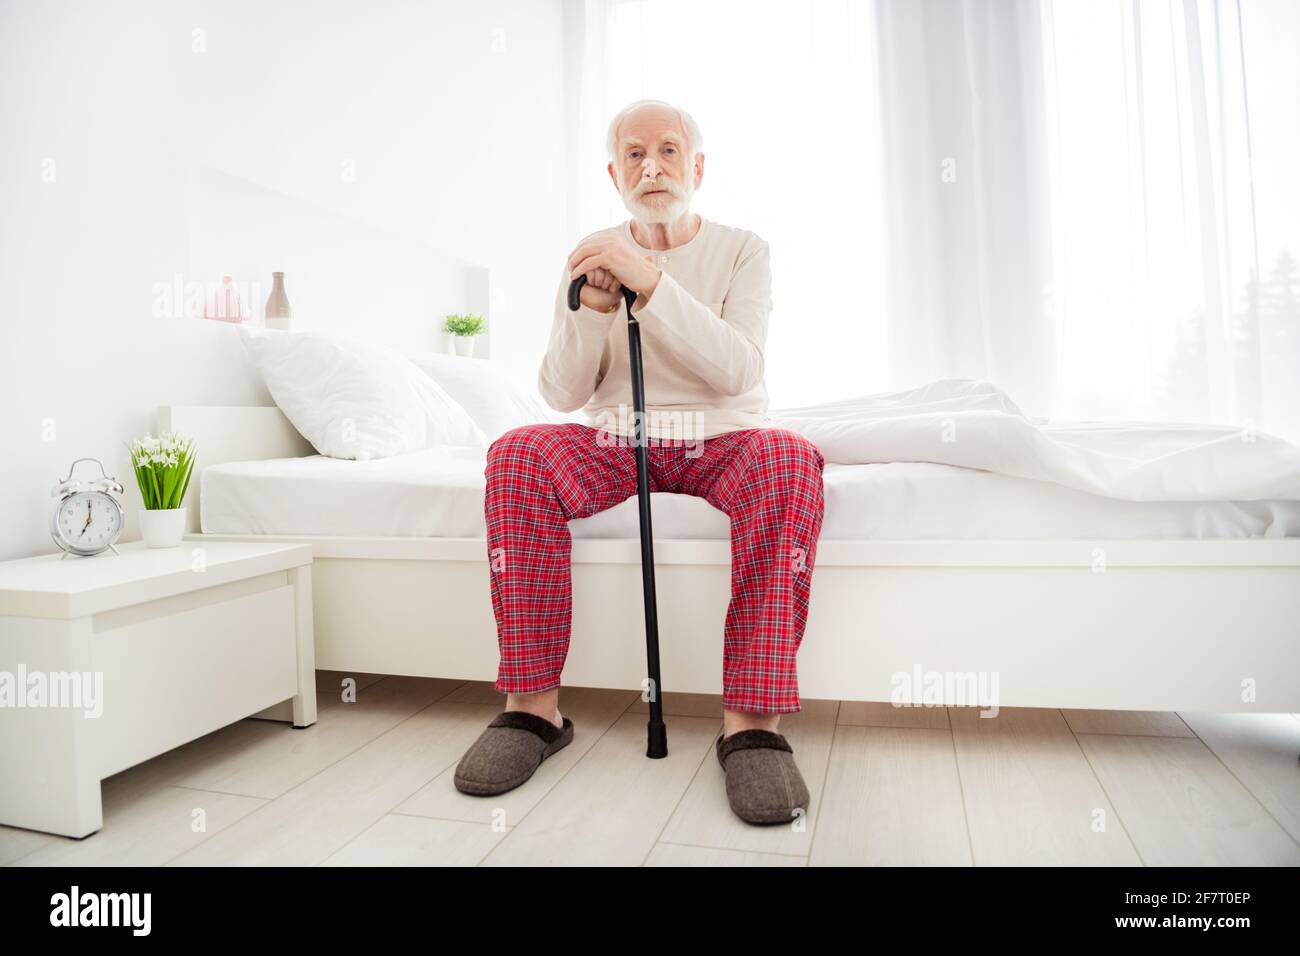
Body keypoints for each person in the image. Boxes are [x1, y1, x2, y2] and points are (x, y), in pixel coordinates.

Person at [454, 99, 826, 826]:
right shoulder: (593, 251)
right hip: (615, 437)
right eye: (633, 154)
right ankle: (532, 712)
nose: (651, 166)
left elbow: (739, 371)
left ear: (698, 166)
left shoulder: (744, 248)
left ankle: (752, 725)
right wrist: (592, 309)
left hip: (721, 435)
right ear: (612, 172)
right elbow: (561, 392)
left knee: (788, 460)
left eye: (667, 150)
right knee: (518, 455)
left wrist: (651, 286)